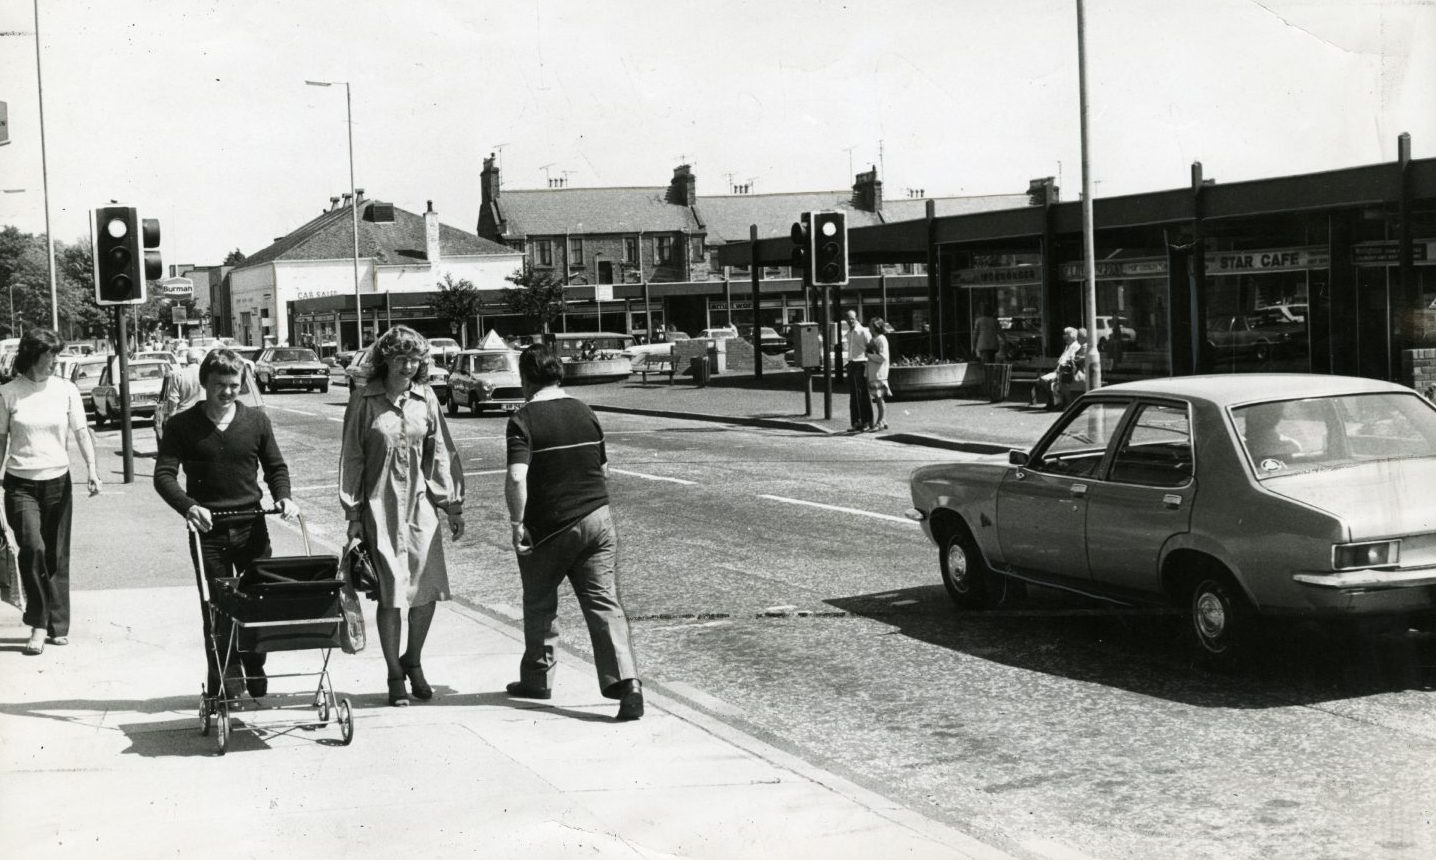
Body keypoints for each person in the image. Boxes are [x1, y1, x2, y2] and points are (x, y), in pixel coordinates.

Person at [504, 343, 643, 721]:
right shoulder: (586, 412)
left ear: (526, 378)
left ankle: (538, 678)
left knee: (540, 602)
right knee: (603, 602)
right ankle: (627, 683)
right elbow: (605, 469)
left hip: (548, 527)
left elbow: (518, 476)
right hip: (597, 519)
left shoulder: (522, 419)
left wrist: (518, 523)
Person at [154, 348, 297, 699]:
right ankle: (225, 676)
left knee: (258, 600)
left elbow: (275, 467)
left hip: (252, 526)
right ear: (205, 383)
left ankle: (254, 663)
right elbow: (163, 476)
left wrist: (283, 496)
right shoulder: (181, 425)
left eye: (235, 385)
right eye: (220, 385)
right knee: (216, 607)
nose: (228, 392)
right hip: (208, 531)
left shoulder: (256, 421)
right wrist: (188, 507)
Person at [339, 325, 465, 707]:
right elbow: (353, 458)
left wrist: (452, 505)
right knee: (391, 595)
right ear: (386, 360)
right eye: (401, 359)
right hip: (379, 508)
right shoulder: (363, 400)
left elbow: (440, 452)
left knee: (426, 593)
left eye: (415, 360)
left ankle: (414, 660)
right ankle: (395, 673)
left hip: (421, 509)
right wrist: (354, 513)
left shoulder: (426, 399)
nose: (409, 366)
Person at [0, 330, 102, 656]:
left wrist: (93, 470)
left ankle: (58, 625)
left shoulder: (66, 390)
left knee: (56, 555)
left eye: (57, 355)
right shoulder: (8, 394)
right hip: (20, 484)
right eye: (50, 356)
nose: (55, 362)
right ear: (32, 355)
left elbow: (82, 433)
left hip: (58, 481)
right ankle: (39, 622)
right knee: (32, 547)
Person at [155, 348, 205, 445]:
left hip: (184, 415)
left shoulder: (178, 374)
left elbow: (173, 399)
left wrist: (171, 418)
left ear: (187, 360)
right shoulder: (205, 374)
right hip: (202, 415)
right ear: (199, 360)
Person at [1034, 326, 1086, 410]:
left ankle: (1058, 404)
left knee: (1053, 382)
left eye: (1066, 334)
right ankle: (1053, 402)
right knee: (1042, 381)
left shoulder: (1076, 346)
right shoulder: (1067, 346)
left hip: (1066, 372)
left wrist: (1061, 369)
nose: (1064, 336)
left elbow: (1072, 361)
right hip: (1060, 371)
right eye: (1064, 334)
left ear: (1072, 336)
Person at [843, 310, 873, 432]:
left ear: (856, 318)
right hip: (851, 364)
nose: (850, 321)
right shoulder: (848, 333)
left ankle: (867, 422)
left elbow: (871, 348)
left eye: (852, 318)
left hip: (861, 363)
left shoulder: (864, 331)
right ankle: (856, 422)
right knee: (854, 394)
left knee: (862, 393)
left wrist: (867, 362)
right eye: (848, 319)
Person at [865, 317, 891, 432]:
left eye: (870, 325)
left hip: (879, 373)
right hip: (874, 372)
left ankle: (880, 421)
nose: (869, 327)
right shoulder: (874, 339)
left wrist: (869, 355)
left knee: (879, 398)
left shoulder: (881, 339)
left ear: (876, 327)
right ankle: (883, 420)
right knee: (878, 398)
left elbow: (882, 357)